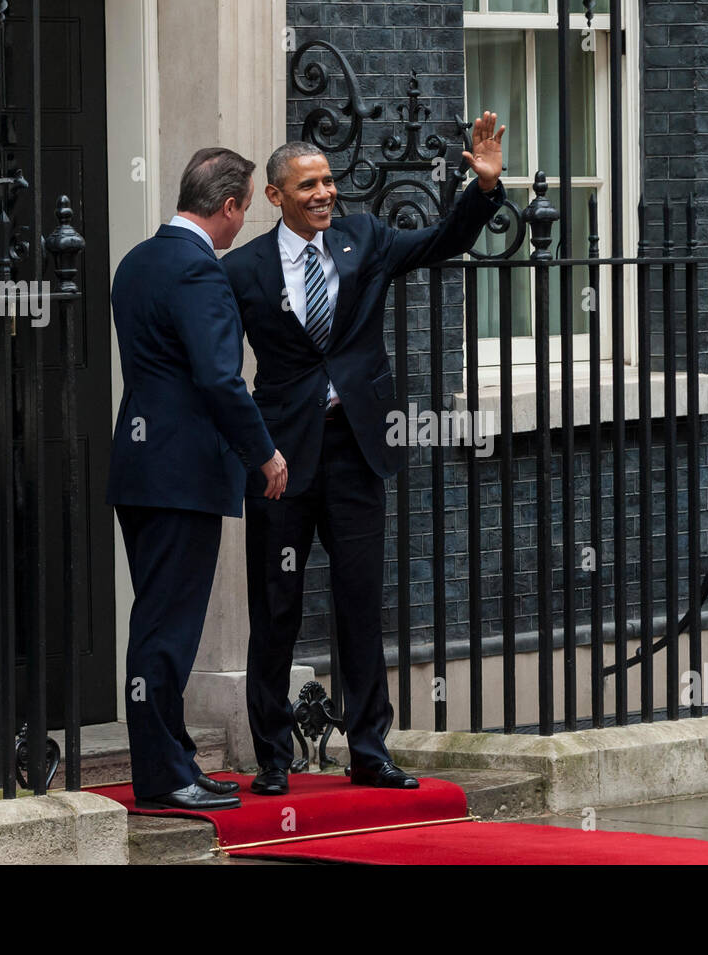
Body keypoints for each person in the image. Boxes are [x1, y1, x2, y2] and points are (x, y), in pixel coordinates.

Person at [224, 112, 507, 795]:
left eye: (327, 181)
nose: (324, 194)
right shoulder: (242, 269)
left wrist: (485, 190)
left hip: (355, 452)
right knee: (276, 607)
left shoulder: (365, 239)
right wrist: (251, 447)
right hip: (280, 461)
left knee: (360, 602)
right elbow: (218, 367)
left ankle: (369, 749)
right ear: (275, 196)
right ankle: (272, 756)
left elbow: (441, 243)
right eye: (308, 185)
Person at [107, 147, 288, 810]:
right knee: (168, 627)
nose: (242, 224)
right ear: (232, 205)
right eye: (244, 210)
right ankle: (162, 774)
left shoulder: (136, 262)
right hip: (181, 472)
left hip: (140, 464)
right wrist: (264, 454)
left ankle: (172, 755)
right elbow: (219, 378)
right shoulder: (200, 273)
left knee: (156, 618)